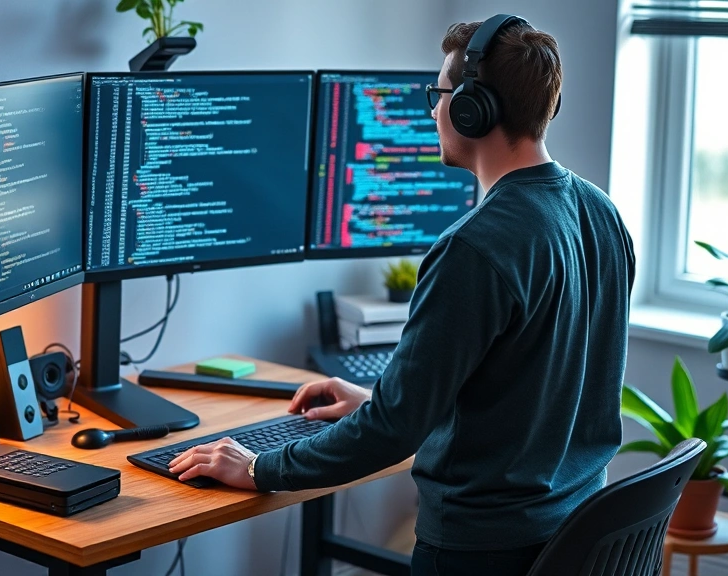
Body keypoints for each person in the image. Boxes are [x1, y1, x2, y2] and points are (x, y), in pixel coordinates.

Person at [169, 14, 635, 576]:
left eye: (438, 96)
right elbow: (526, 397)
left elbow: (395, 433)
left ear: (473, 109)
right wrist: (376, 401)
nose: (434, 111)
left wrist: (260, 467)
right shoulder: (601, 213)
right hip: (570, 540)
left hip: (484, 551)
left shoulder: (475, 247)